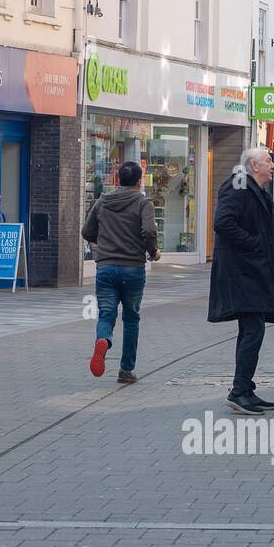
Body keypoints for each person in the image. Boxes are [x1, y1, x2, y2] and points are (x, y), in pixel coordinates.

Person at [208, 147, 274, 415]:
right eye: (269, 161)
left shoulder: (253, 189)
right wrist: (254, 245)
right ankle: (239, 391)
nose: (273, 165)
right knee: (253, 331)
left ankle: (246, 388)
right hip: (243, 274)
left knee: (252, 330)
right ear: (254, 165)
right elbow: (222, 222)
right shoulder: (238, 185)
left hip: (252, 273)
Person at [82, 160, 159, 384]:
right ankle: (126, 370)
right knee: (131, 318)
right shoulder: (144, 203)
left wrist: (104, 243)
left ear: (117, 180)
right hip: (133, 268)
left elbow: (87, 231)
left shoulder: (103, 201)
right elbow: (149, 231)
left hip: (105, 267)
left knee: (106, 313)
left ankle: (103, 340)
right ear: (139, 180)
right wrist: (153, 251)